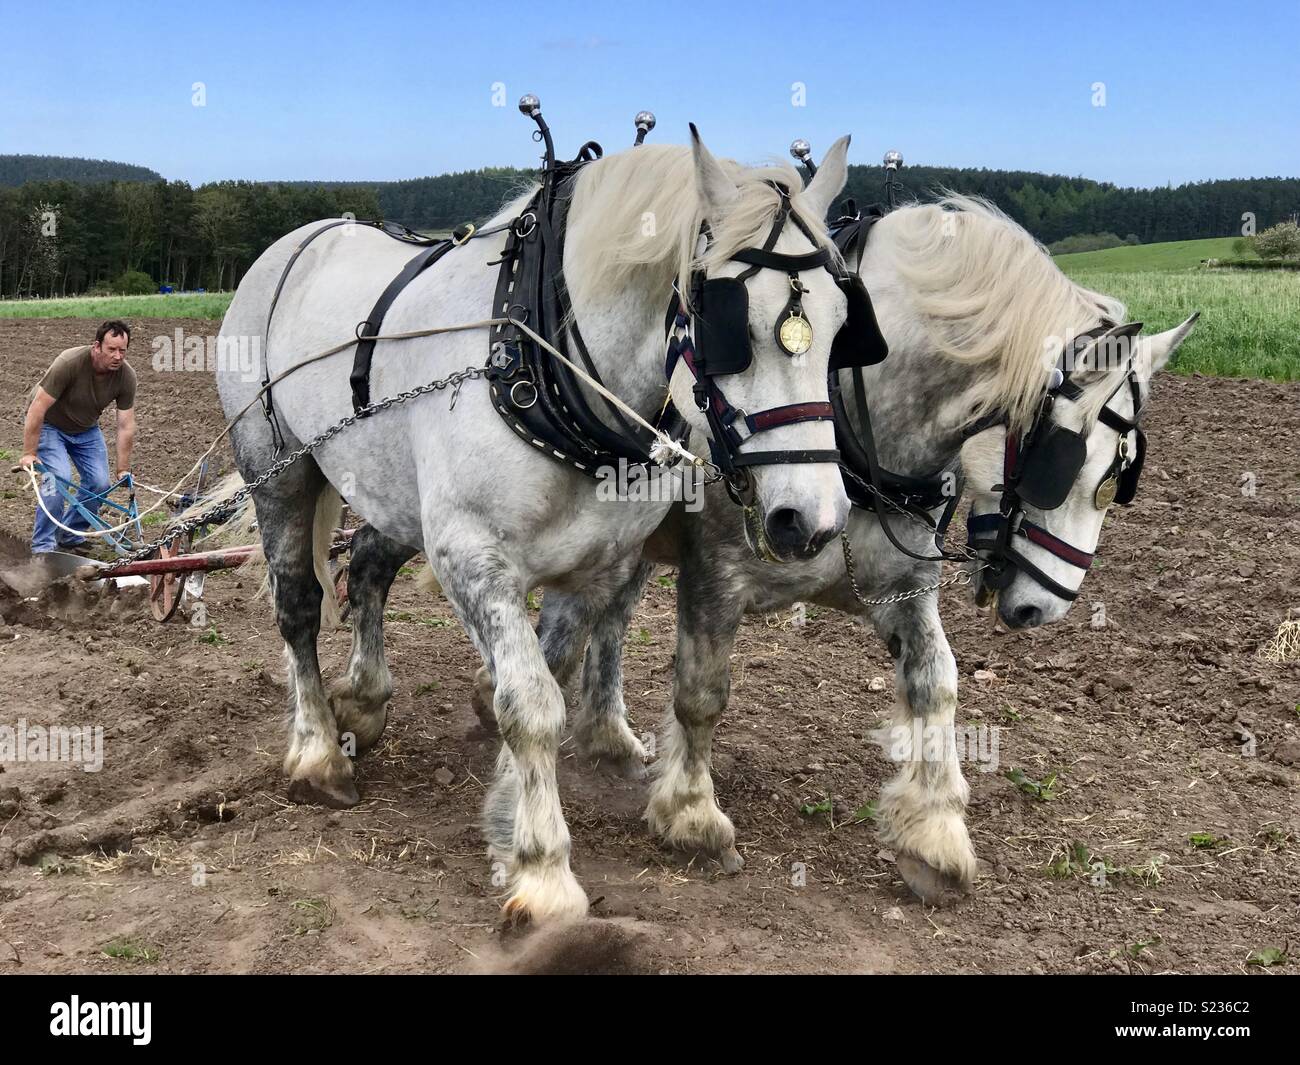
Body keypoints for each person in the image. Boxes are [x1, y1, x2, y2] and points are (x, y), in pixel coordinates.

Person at [20, 320, 137, 555]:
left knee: (99, 484)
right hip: (51, 426)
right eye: (111, 350)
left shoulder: (126, 377)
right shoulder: (69, 362)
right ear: (97, 347)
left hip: (85, 429)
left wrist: (123, 469)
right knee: (57, 479)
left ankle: (70, 535)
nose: (117, 356)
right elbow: (37, 408)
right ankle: (43, 547)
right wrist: (29, 454)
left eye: (122, 351)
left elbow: (125, 425)